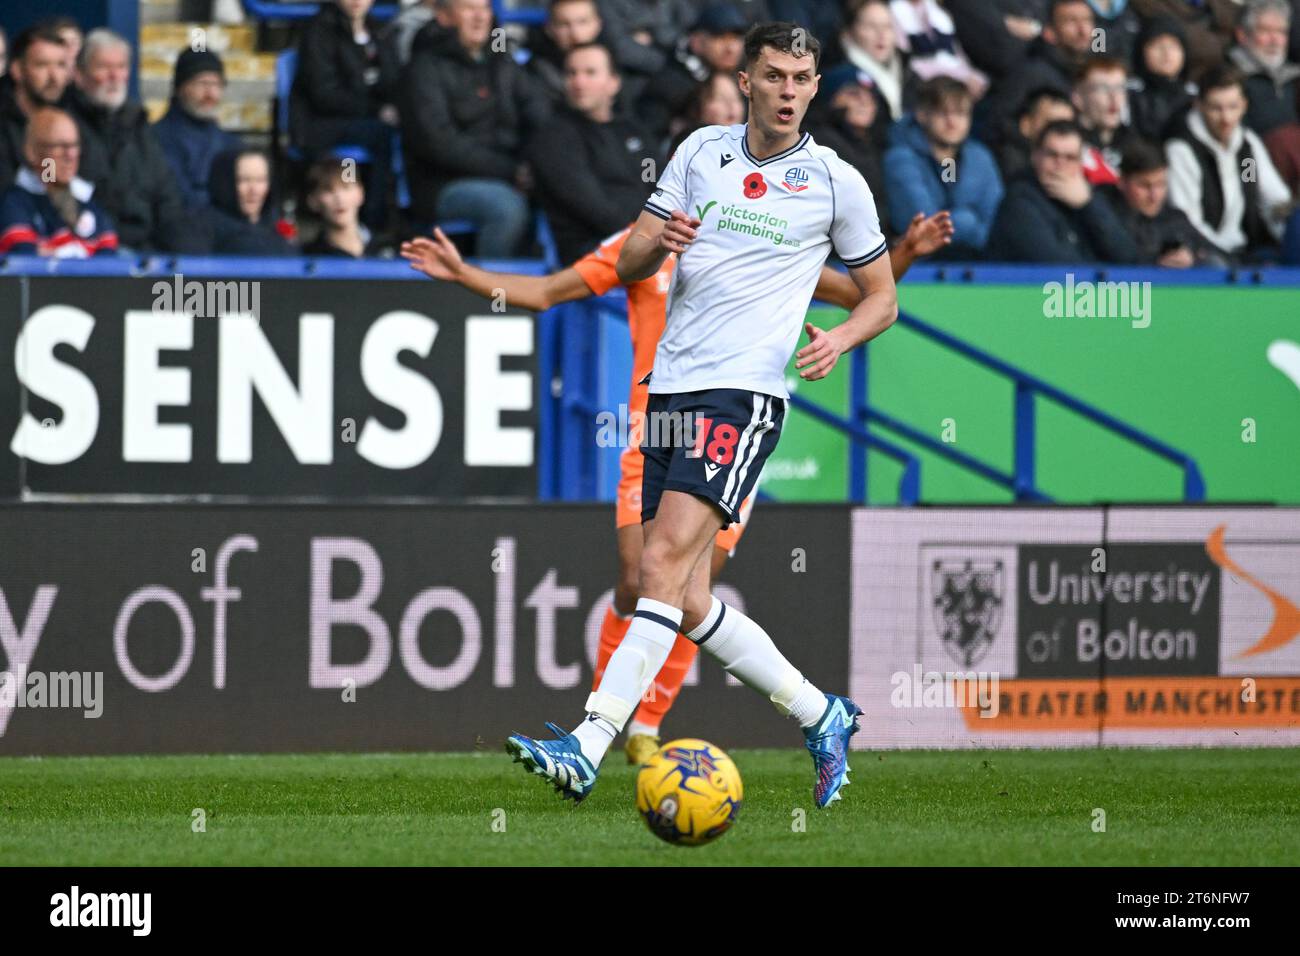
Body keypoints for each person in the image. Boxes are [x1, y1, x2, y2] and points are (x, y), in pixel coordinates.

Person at [504, 21, 899, 808]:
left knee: (657, 567)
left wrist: (842, 340)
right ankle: (823, 713)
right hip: (670, 391)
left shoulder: (836, 182)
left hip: (744, 393)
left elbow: (882, 296)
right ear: (745, 80)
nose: (789, 91)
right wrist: (664, 242)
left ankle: (586, 745)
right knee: (681, 598)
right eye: (775, 76)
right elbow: (633, 260)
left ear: (815, 86)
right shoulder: (699, 153)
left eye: (802, 78)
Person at [402, 209, 951, 761]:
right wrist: (464, 274)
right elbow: (548, 291)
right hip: (654, 430)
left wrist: (903, 251)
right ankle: (800, 711)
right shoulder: (642, 245)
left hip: (723, 430)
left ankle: (635, 727)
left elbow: (856, 292)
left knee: (682, 585)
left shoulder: (761, 239)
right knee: (646, 585)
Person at [400, 0, 551, 255]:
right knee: (505, 208)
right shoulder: (424, 68)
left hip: (511, 173)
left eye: (484, 8)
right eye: (469, 9)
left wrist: (533, 163)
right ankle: (492, 290)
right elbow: (439, 144)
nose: (480, 17)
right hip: (443, 184)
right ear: (444, 17)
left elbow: (539, 113)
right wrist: (511, 171)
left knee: (567, 186)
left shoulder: (503, 61)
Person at [68, 28, 199, 252]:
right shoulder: (63, 125)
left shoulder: (140, 126)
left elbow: (167, 198)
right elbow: (50, 186)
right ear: (80, 75)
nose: (114, 76)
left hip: (147, 251)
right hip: (93, 251)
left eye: (121, 67)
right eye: (103, 67)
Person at [529, 42, 658, 264]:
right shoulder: (553, 137)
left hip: (647, 246)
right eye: (571, 73)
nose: (579, 82)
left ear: (614, 82)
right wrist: (650, 239)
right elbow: (594, 209)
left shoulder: (634, 130)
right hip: (592, 256)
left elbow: (665, 189)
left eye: (590, 73)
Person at [1165, 65, 1293, 261]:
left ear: (1244, 105)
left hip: (1248, 250)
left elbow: (1273, 200)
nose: (1226, 118)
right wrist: (1223, 255)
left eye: (1233, 107)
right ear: (1199, 105)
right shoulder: (1183, 150)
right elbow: (1188, 222)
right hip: (1206, 254)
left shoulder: (1246, 146)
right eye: (1216, 108)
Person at [291, 0, 398, 231]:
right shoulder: (319, 30)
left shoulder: (379, 30)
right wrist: (377, 110)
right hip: (321, 124)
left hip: (362, 120)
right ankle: (373, 221)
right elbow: (323, 94)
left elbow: (391, 80)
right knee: (383, 135)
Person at [884, 75, 1002, 255]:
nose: (952, 122)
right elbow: (922, 228)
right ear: (922, 114)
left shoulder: (980, 157)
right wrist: (968, 220)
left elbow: (996, 223)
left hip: (980, 265)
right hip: (919, 270)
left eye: (961, 113)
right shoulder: (900, 159)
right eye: (943, 113)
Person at [991, 119, 1138, 262]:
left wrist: (1088, 204)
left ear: (1081, 162)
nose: (1060, 164)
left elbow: (1127, 256)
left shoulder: (1089, 197)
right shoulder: (1018, 202)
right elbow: (1057, 267)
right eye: (1052, 155)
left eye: (1070, 157)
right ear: (1035, 156)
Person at [0, 107, 117, 257]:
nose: (71, 154)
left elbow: (108, 259)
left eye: (75, 145)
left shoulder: (87, 200)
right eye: (60, 146)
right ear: (32, 152)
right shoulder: (14, 202)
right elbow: (24, 258)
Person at [152, 49, 242, 211]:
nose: (210, 93)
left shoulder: (232, 144)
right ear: (180, 87)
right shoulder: (155, 139)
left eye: (216, 84)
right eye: (202, 83)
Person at [1111, 138, 1222, 266]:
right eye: (1144, 186)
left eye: (1160, 184)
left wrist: (1194, 258)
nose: (1154, 195)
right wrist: (1156, 264)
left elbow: (1220, 257)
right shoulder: (1111, 220)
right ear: (1122, 182)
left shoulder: (1175, 219)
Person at [0, 26, 73, 194]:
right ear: (17, 70)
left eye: (61, 65)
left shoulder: (74, 123)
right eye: (42, 65)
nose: (54, 77)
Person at [203, 148, 296, 255]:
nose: (254, 190)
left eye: (260, 180)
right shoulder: (202, 227)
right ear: (225, 183)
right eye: (244, 180)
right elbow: (181, 271)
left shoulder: (279, 228)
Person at [1127, 16, 1195, 143]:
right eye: (1157, 46)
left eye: (1174, 46)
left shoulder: (1194, 95)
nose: (1167, 53)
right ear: (1142, 51)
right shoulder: (1130, 94)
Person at [1072, 55, 1136, 186]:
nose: (1114, 97)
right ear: (1078, 97)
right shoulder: (1067, 147)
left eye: (1120, 88)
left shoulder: (1136, 144)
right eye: (1102, 89)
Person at [302, 156, 384, 257]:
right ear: (313, 201)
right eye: (329, 190)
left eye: (346, 187)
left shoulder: (386, 249)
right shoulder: (308, 257)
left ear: (360, 193)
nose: (340, 199)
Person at [997, 86, 1075, 180]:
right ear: (1026, 125)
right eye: (1051, 125)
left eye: (1067, 126)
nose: (1060, 133)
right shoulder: (1011, 166)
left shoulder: (1076, 163)